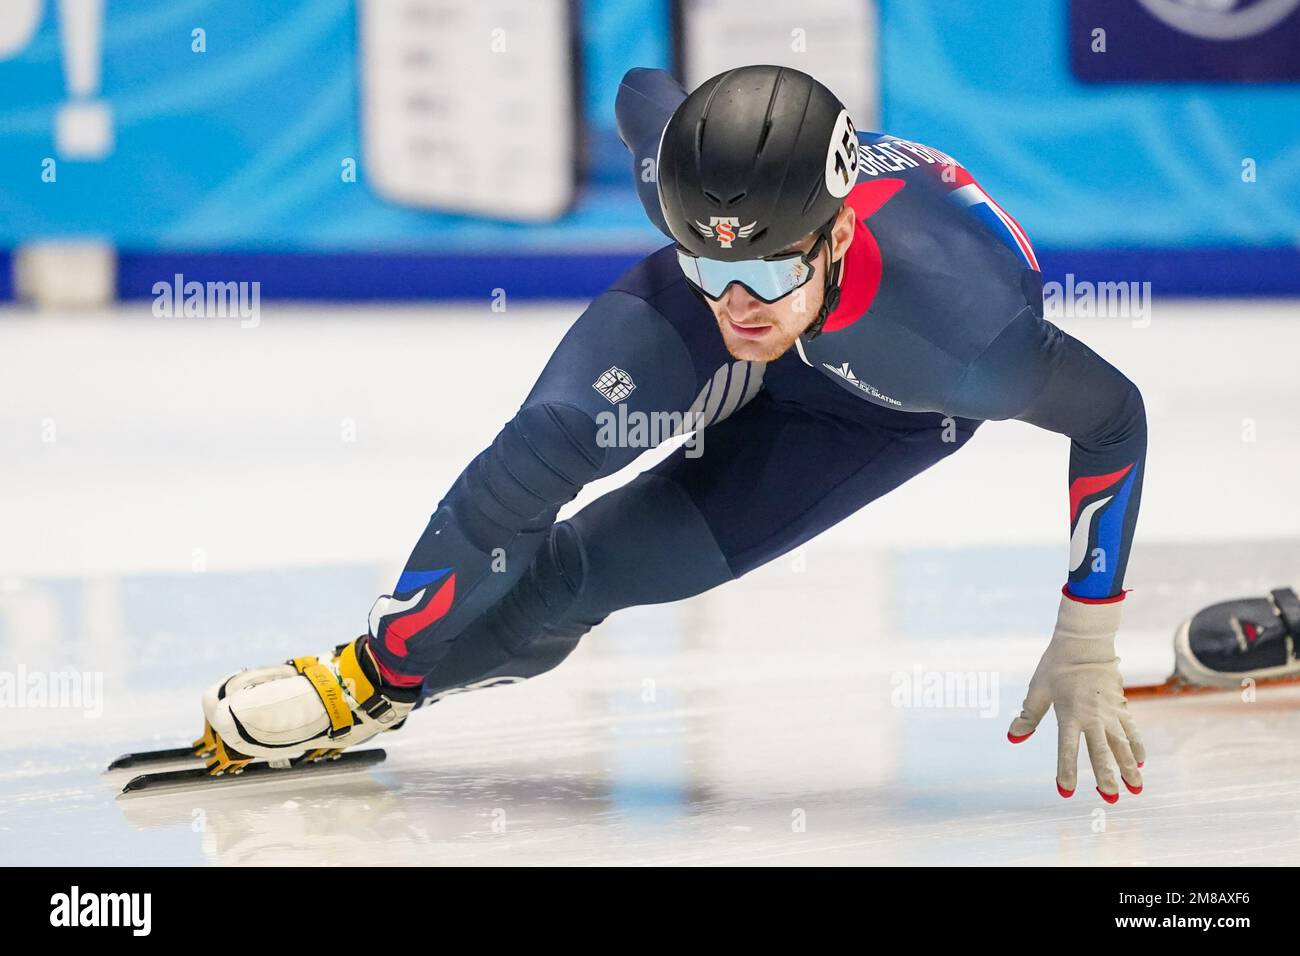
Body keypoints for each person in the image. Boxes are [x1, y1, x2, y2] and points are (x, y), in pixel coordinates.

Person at [198, 65, 1147, 802]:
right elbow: (640, 91)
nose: (738, 308)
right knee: (544, 447)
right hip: (807, 290)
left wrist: (1087, 630)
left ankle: (412, 682)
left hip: (878, 407)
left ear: (836, 238)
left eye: (767, 276)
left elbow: (1114, 419)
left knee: (584, 577)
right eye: (706, 264)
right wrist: (726, 263)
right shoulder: (709, 206)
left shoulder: (967, 337)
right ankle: (370, 677)